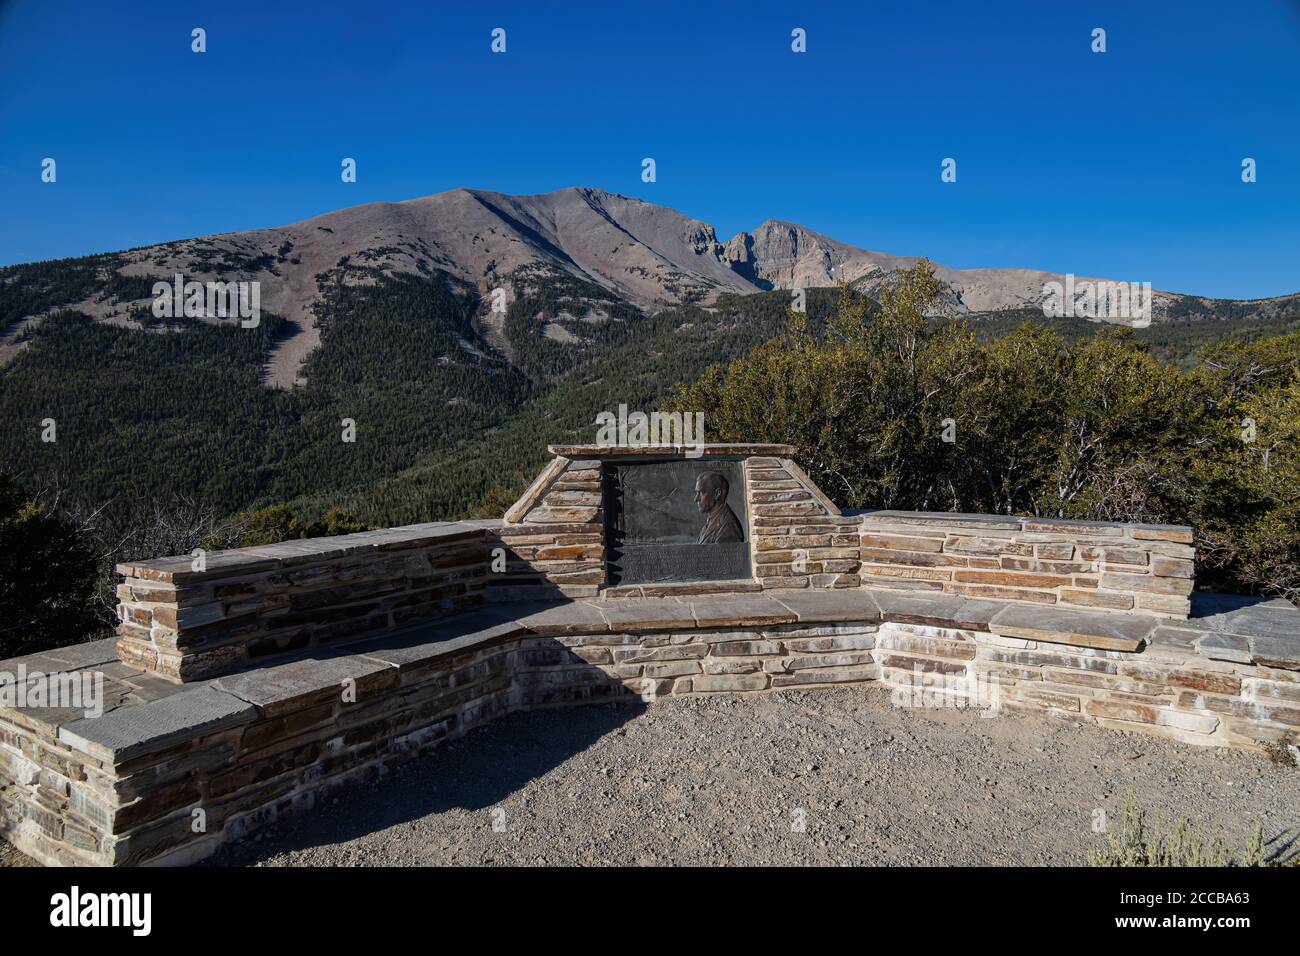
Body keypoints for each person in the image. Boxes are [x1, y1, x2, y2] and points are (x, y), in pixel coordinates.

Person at [694, 471, 744, 543]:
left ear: (717, 494)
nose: (696, 499)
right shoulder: (713, 519)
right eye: (697, 493)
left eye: (701, 493)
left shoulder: (728, 527)